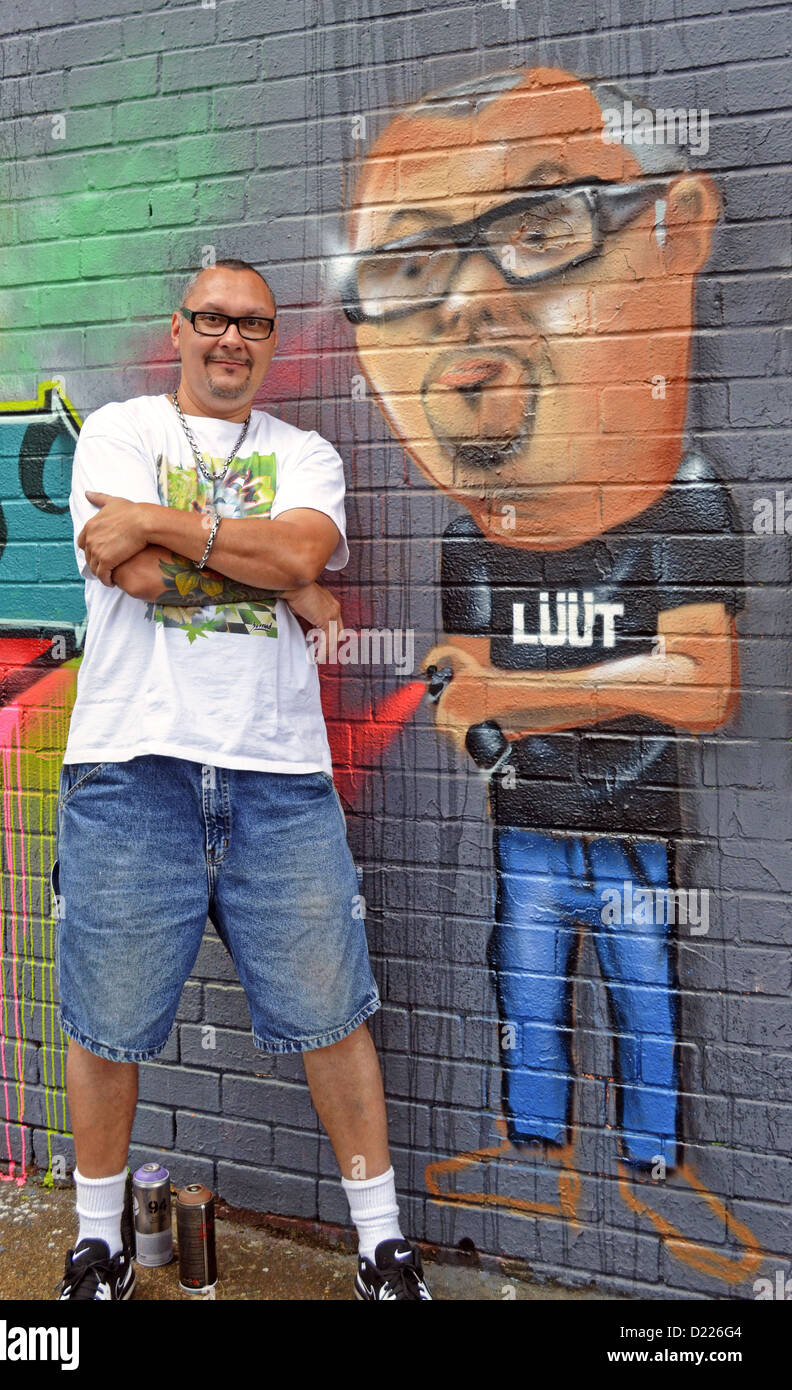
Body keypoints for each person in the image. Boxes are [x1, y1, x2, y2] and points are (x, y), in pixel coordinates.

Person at [340, 69, 760, 1281]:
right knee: (528, 990)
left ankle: (656, 1167)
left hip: (633, 828)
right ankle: (536, 1148)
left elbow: (703, 684)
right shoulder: (473, 531)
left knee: (642, 995)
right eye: (413, 270)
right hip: (526, 825)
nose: (470, 312)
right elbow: (456, 683)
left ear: (677, 233)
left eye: (538, 227)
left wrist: (515, 700)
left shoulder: (683, 499)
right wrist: (479, 707)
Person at [53, 258, 432, 1301]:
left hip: (279, 775)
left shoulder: (305, 452)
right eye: (213, 318)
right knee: (107, 1017)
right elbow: (129, 574)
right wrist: (277, 578)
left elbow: (300, 546)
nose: (233, 338)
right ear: (178, 327)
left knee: (333, 1012)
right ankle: (99, 1242)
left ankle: (381, 1245)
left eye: (253, 323)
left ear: (268, 340)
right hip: (134, 769)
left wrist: (195, 533)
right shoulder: (120, 431)